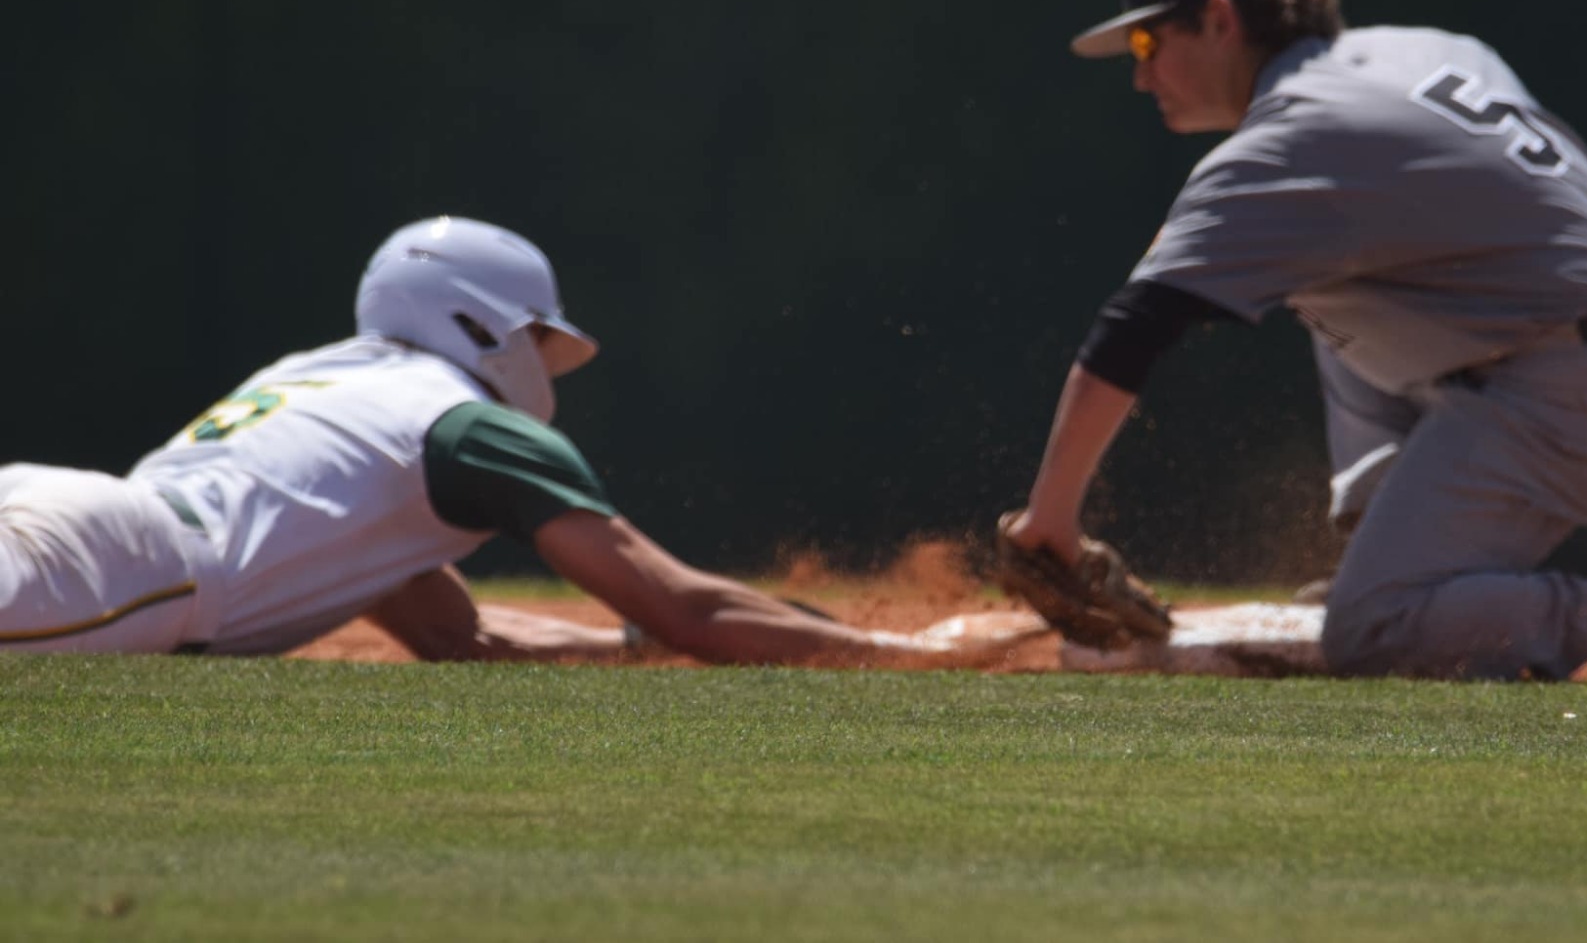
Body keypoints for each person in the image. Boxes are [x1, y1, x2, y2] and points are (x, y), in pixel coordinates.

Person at [1000, 0, 1587, 685]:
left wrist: (1050, 520)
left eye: (1149, 38)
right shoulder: (1419, 48)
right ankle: (1395, 558)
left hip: (1569, 382)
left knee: (1371, 631)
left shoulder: (1292, 137)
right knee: (1327, 270)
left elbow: (1136, 325)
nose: (1140, 72)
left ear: (1219, 19)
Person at [0, 216, 992, 666]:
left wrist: (634, 651)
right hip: (124, 564)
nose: (546, 363)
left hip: (77, 520)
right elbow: (684, 607)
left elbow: (457, 636)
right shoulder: (460, 424)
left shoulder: (323, 383)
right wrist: (904, 654)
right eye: (540, 338)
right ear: (484, 326)